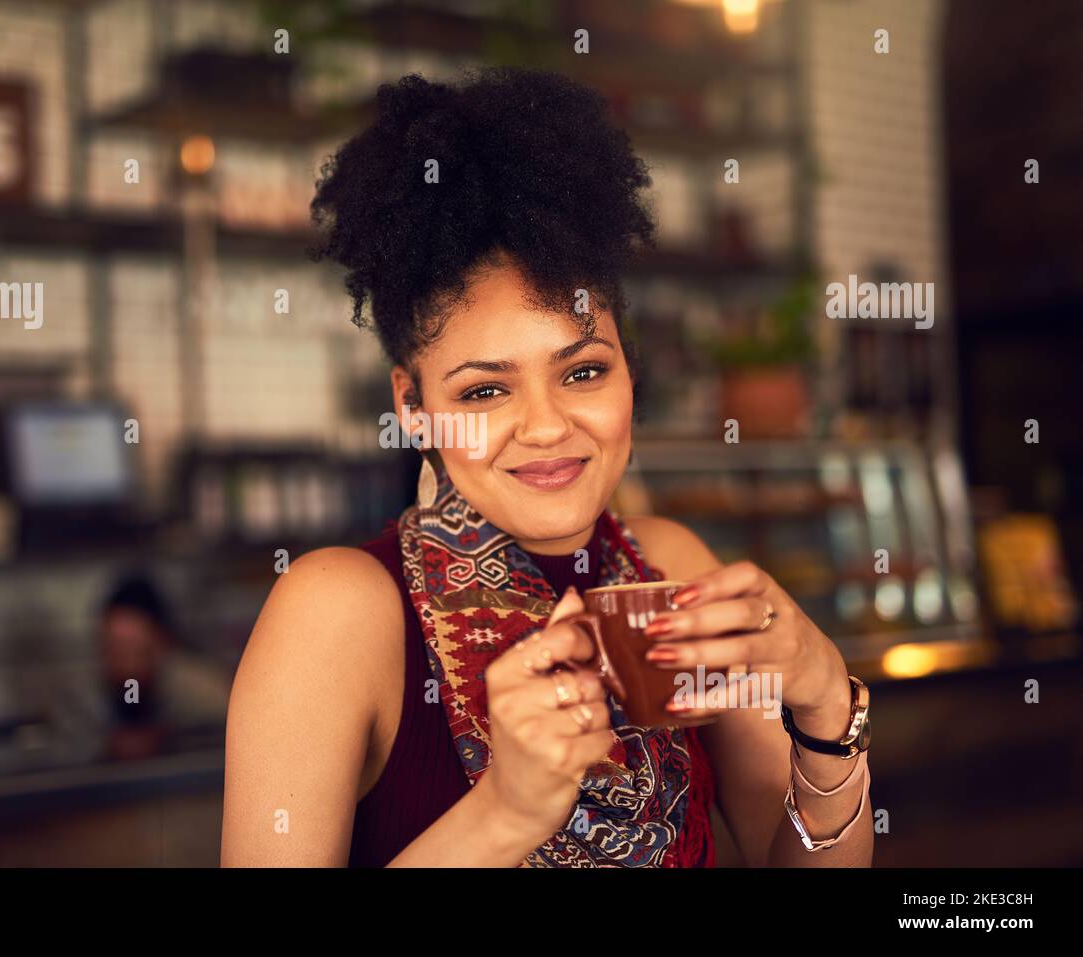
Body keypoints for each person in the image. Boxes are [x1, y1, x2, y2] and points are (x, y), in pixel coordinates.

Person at [222, 68, 872, 867]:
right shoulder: (336, 615)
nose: (545, 424)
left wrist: (826, 703)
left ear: (629, 371)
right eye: (486, 388)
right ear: (413, 406)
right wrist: (506, 811)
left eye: (584, 371)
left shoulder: (673, 570)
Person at [98, 574, 228, 761]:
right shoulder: (96, 692)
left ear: (161, 643)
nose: (127, 665)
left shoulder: (199, 689)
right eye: (114, 649)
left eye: (135, 649)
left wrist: (166, 739)